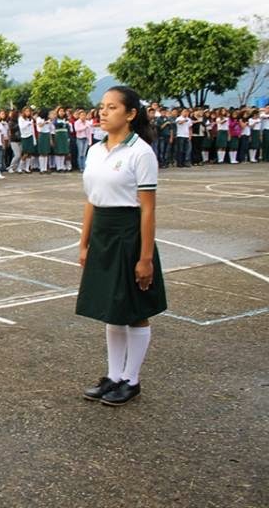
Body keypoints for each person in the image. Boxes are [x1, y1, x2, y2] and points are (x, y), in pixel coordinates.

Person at [77, 86, 166, 407]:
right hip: (102, 233)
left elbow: (148, 209)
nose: (102, 112)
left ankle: (132, 379)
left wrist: (145, 258)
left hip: (128, 235)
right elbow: (91, 200)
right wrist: (84, 241)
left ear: (130, 114)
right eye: (101, 107)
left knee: (135, 311)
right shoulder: (95, 150)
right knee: (110, 310)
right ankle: (114, 376)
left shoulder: (140, 152)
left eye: (112, 107)